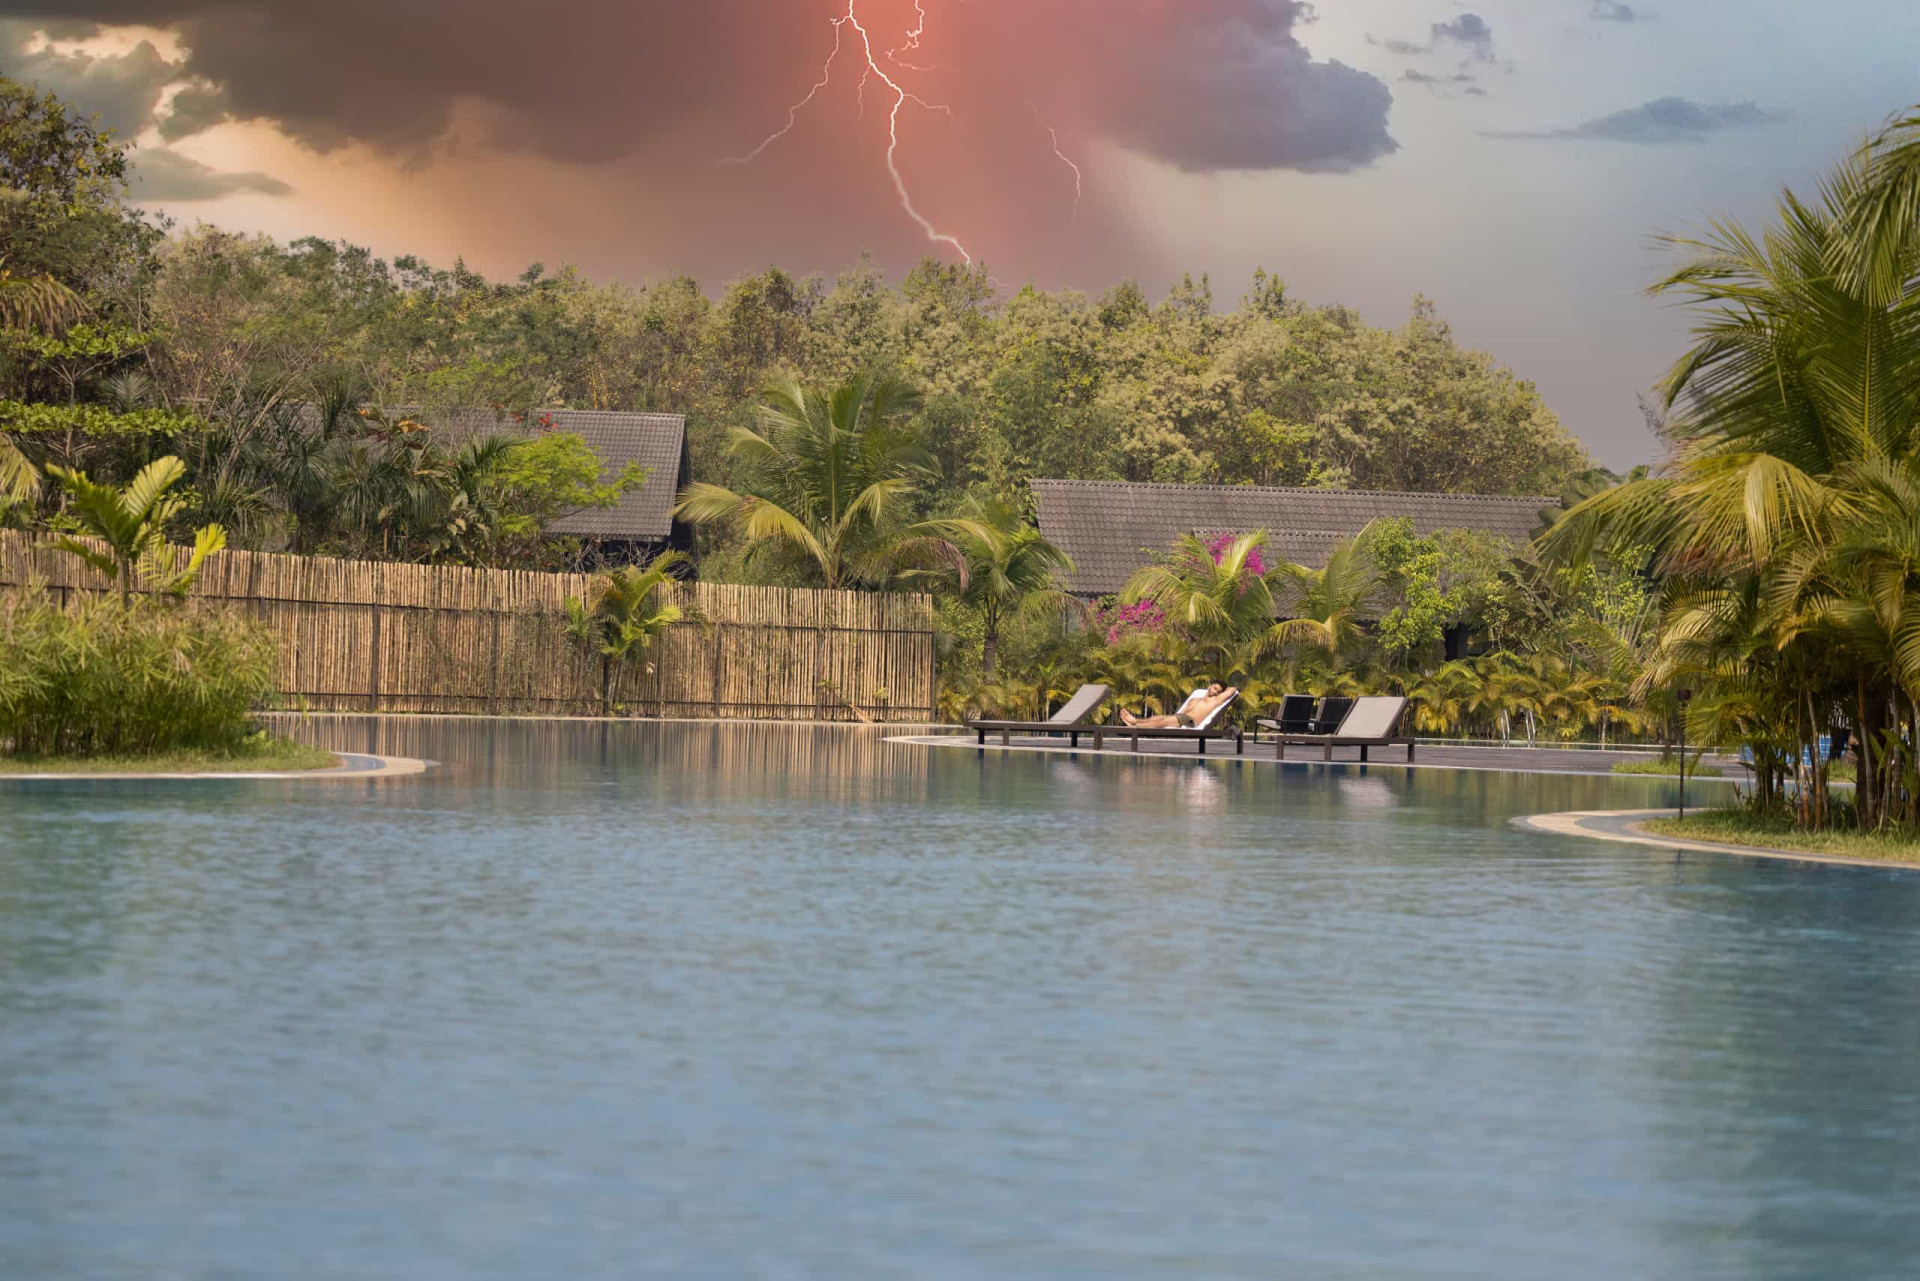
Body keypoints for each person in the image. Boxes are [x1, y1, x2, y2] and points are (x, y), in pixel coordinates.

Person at [1119, 682, 1238, 729]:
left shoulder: (1216, 700)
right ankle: (1135, 722)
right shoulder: (1195, 699)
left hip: (1190, 721)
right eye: (1215, 688)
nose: (1216, 692)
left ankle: (1135, 724)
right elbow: (1180, 713)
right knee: (1157, 718)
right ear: (1210, 686)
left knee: (1162, 721)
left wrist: (1223, 689)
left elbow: (1233, 689)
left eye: (1218, 691)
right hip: (1181, 718)